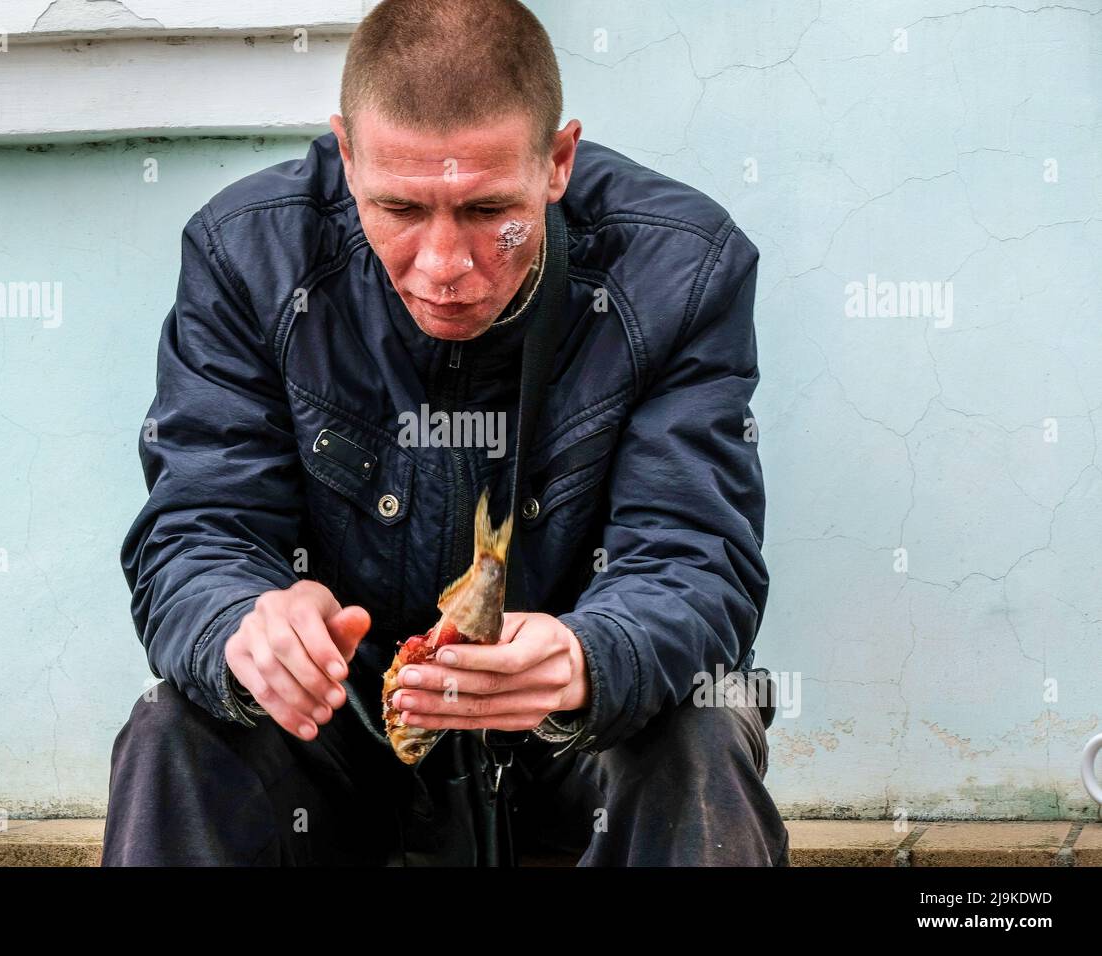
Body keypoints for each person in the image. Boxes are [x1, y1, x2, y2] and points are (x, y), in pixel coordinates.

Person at [103, 0, 789, 866]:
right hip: (338, 750)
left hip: (577, 758)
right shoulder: (248, 257)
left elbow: (696, 555)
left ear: (558, 161)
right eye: (399, 208)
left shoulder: (680, 270)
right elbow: (198, 527)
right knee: (175, 728)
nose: (445, 267)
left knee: (700, 725)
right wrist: (249, 626)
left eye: (487, 211)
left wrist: (589, 656)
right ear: (347, 155)